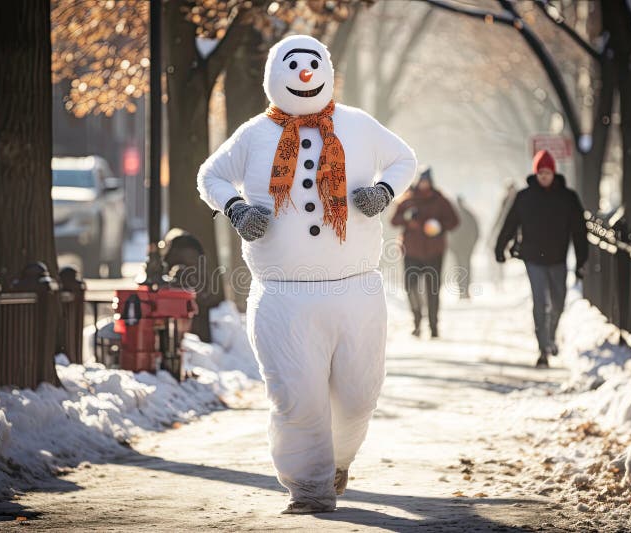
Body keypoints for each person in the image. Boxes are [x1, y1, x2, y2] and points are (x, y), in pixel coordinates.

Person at [197, 35, 417, 514]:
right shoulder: (254, 134)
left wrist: (382, 191)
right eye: (292, 65)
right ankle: (309, 488)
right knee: (298, 399)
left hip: (355, 290)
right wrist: (235, 208)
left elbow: (405, 158)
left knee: (358, 398)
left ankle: (338, 460)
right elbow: (209, 175)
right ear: (275, 72)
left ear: (326, 70)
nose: (303, 74)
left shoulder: (357, 125)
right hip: (282, 295)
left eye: (311, 64)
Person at [494, 150, 587, 368]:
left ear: (554, 172)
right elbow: (510, 224)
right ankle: (543, 348)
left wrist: (581, 261)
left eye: (548, 172)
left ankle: (552, 335)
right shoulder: (525, 197)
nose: (544, 176)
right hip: (533, 257)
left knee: (558, 301)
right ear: (536, 173)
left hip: (558, 258)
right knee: (539, 302)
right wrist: (500, 247)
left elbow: (579, 232)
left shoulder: (568, 197)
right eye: (541, 172)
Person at [390, 167, 459, 338]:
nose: (424, 185)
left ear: (431, 182)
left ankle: (434, 326)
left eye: (427, 182)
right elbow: (393, 220)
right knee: (411, 288)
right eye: (422, 181)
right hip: (411, 252)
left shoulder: (440, 200)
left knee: (433, 290)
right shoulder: (407, 200)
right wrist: (406, 217)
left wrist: (439, 226)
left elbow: (454, 221)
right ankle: (417, 322)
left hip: (434, 252)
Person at [449, 195, 479, 299]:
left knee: (461, 269)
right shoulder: (464, 215)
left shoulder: (460, 215)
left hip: (464, 248)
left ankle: (464, 291)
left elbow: (475, 231)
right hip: (460, 248)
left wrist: (472, 245)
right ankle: (463, 291)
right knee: (463, 268)